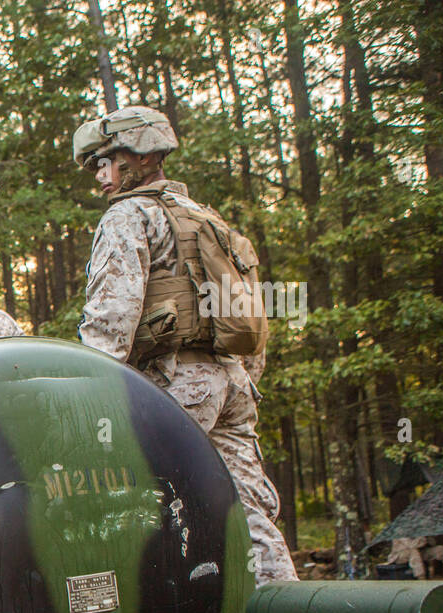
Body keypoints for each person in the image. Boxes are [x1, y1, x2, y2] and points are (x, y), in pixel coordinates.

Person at [72, 106, 298, 586]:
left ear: (136, 156)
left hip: (174, 384)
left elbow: (111, 323)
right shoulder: (207, 218)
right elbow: (249, 315)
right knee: (251, 514)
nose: (100, 177)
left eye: (104, 162)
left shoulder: (128, 215)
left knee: (138, 508)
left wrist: (90, 405)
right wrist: (237, 381)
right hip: (232, 383)